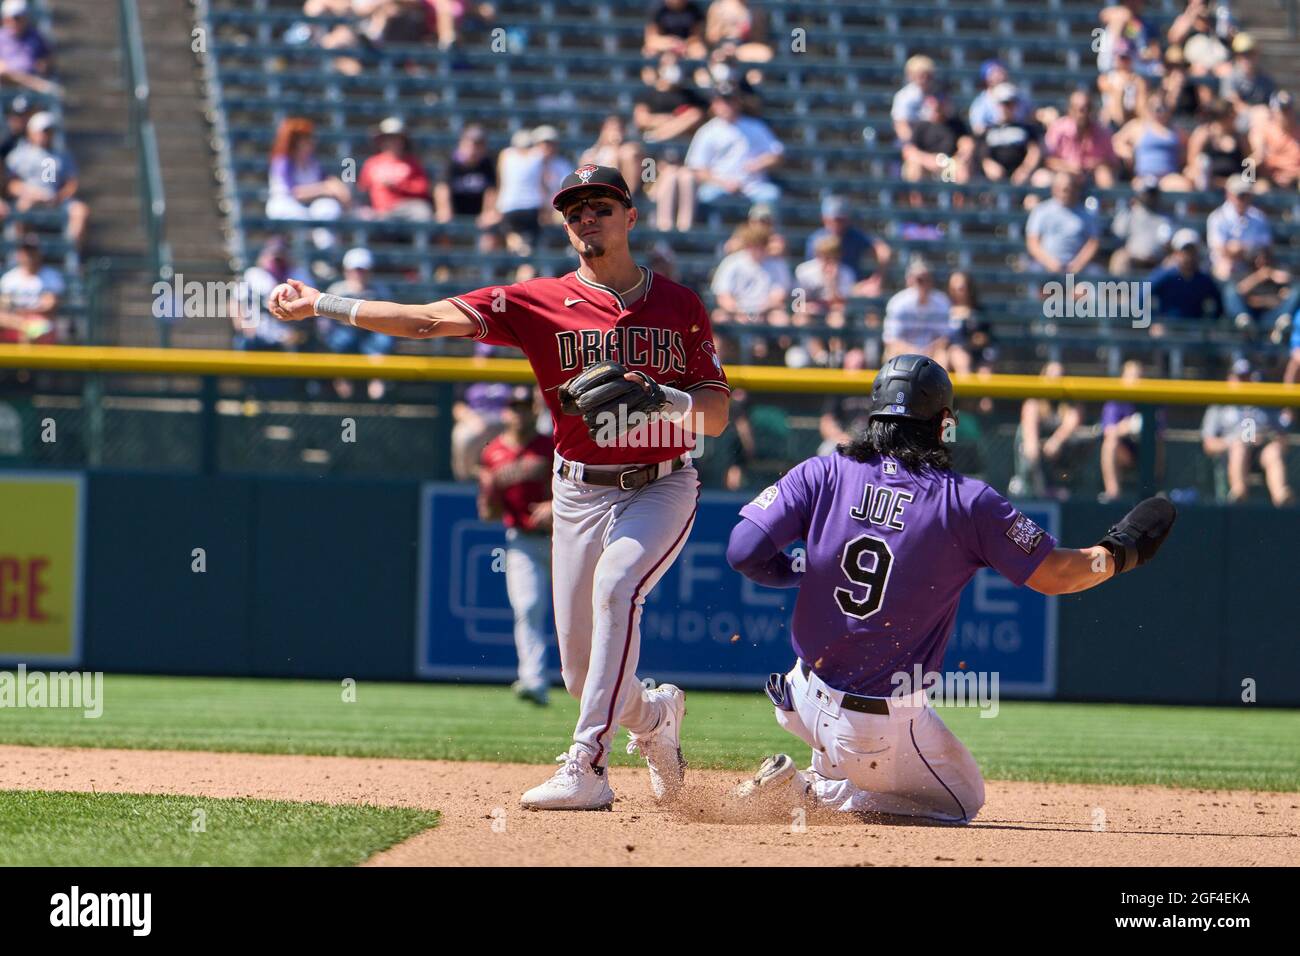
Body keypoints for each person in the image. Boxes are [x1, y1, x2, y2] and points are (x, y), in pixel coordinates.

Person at [268, 164, 732, 811]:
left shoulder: (680, 305)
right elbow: (425, 321)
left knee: (617, 587)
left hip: (660, 485)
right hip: (577, 490)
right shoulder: (536, 300)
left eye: (600, 204)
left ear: (631, 216)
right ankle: (654, 719)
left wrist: (663, 396)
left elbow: (714, 413)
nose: (586, 216)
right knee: (579, 674)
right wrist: (322, 302)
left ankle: (587, 765)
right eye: (574, 210)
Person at [727, 354, 1176, 822]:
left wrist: (799, 568)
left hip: (800, 692)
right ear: (945, 425)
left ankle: (823, 773)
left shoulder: (823, 471)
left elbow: (743, 550)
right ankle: (806, 794)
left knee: (860, 739)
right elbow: (1060, 575)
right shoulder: (964, 501)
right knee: (961, 801)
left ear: (873, 415)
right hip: (873, 725)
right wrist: (1122, 551)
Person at [478, 386, 557, 705]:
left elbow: (578, 485)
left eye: (524, 406)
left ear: (534, 410)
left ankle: (600, 685)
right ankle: (533, 681)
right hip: (521, 540)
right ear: (504, 412)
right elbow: (488, 513)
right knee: (527, 608)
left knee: (587, 610)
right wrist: (489, 493)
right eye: (513, 406)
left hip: (561, 537)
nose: (519, 412)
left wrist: (555, 504)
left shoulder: (551, 445)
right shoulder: (493, 452)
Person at [1202, 360, 1294, 507]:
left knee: (1274, 452)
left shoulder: (1264, 401)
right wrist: (1232, 442)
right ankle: (1238, 495)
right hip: (1232, 453)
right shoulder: (1219, 405)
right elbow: (1208, 444)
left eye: (1248, 377)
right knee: (1240, 447)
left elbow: (1283, 438)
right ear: (1230, 379)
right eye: (1240, 377)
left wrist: (1270, 439)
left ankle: (1282, 498)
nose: (1245, 381)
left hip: (1262, 451)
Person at [685, 84, 783, 209]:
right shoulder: (707, 131)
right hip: (719, 185)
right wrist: (723, 183)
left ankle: (762, 229)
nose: (726, 106)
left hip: (753, 186)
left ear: (738, 102)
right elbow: (697, 169)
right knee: (706, 196)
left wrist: (760, 163)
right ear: (714, 104)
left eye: (730, 101)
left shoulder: (755, 126)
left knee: (771, 195)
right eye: (721, 102)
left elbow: (776, 155)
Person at [314, 246, 393, 400]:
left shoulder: (379, 290)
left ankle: (377, 379)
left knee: (382, 341)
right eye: (355, 270)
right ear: (347, 271)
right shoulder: (337, 290)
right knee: (340, 341)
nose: (358, 274)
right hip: (344, 332)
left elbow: (388, 317)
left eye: (362, 270)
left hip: (371, 332)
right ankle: (341, 379)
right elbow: (324, 322)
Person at [5, 111, 88, 248]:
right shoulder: (19, 155)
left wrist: (59, 196)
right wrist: (31, 193)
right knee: (21, 209)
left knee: (80, 210)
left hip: (57, 199)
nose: (45, 135)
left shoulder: (62, 155)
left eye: (48, 131)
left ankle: (70, 252)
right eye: (42, 131)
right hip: (30, 197)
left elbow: (72, 183)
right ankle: (22, 251)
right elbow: (10, 185)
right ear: (31, 132)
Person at [265, 117, 349, 247]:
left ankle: (328, 256)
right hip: (285, 207)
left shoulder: (312, 163)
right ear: (296, 142)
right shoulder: (283, 163)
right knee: (306, 221)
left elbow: (327, 179)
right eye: (307, 139)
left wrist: (338, 187)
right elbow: (296, 193)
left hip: (307, 208)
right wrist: (326, 189)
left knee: (327, 209)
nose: (312, 142)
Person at [1011, 361, 1084, 498]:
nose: (1055, 379)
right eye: (1051, 375)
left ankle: (1068, 489)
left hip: (1058, 457)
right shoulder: (1034, 402)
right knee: (1029, 449)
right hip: (1035, 462)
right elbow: (1030, 443)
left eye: (1060, 376)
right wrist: (1040, 449)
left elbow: (1073, 421)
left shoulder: (1069, 403)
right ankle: (1032, 488)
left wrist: (1056, 441)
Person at [804, 196, 891, 297]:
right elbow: (800, 299)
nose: (838, 224)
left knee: (871, 294)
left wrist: (876, 279)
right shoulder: (805, 271)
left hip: (848, 288)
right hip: (820, 290)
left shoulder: (847, 273)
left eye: (842, 220)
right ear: (825, 219)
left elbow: (882, 250)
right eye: (835, 220)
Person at [710, 222, 790, 325]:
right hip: (736, 312)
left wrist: (759, 311)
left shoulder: (778, 264)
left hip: (767, 312)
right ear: (747, 245)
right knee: (719, 317)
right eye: (753, 244)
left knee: (781, 319)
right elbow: (723, 296)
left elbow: (778, 295)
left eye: (761, 245)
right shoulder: (731, 262)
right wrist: (739, 312)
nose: (757, 249)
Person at [433, 125, 500, 248]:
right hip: (456, 211)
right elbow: (442, 187)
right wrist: (444, 210)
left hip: (478, 213)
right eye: (470, 144)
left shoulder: (488, 164)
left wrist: (488, 212)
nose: (473, 149)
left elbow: (491, 190)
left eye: (478, 145)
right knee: (442, 228)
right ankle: (444, 266)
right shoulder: (451, 161)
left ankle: (483, 266)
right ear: (461, 144)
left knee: (492, 228)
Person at [1025, 171, 1101, 276]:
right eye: (1060, 188)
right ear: (1054, 189)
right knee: (1035, 272)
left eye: (1068, 189)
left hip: (1077, 267)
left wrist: (1077, 265)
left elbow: (1093, 242)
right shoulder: (1041, 211)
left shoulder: (1086, 214)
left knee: (1095, 274)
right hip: (1044, 266)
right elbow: (1033, 243)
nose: (1064, 193)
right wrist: (1050, 263)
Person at [357, 117, 433, 221]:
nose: (392, 142)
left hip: (406, 208)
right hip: (379, 211)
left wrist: (398, 185)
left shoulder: (412, 162)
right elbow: (362, 189)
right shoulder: (371, 163)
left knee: (422, 211)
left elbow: (422, 188)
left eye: (396, 138)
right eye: (388, 138)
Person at [1149, 228, 1223, 332]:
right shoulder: (1166, 275)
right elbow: (1142, 294)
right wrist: (1153, 321)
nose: (1188, 256)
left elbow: (1218, 303)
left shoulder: (1203, 280)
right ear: (1176, 253)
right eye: (1184, 251)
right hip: (1168, 327)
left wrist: (1209, 324)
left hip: (1194, 330)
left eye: (1192, 252)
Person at [1113, 94, 1191, 191]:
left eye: (1162, 107)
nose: (1159, 111)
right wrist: (1127, 153)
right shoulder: (1138, 126)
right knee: (1143, 190)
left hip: (1168, 177)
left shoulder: (1175, 130)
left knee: (1185, 186)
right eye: (1155, 108)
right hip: (1144, 176)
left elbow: (1188, 149)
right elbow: (1116, 141)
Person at [881, 256, 951, 363]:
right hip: (904, 352)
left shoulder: (942, 302)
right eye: (919, 279)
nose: (923, 283)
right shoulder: (897, 303)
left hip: (932, 353)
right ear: (909, 280)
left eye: (927, 279)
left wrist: (927, 351)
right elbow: (891, 339)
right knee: (891, 353)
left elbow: (944, 337)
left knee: (943, 356)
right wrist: (913, 351)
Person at [1040, 91, 1117, 188]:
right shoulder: (1058, 129)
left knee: (1104, 175)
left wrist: (1095, 163)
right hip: (1064, 173)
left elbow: (1113, 162)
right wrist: (1069, 168)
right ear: (1070, 110)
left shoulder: (1103, 131)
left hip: (1092, 174)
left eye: (1087, 108)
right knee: (1054, 179)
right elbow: (1047, 160)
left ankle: (1109, 203)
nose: (1083, 114)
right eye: (1079, 109)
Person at [1206, 177, 1272, 284]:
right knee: (1225, 269)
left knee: (1271, 274)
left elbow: (1265, 248)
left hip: (1252, 266)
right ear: (1229, 194)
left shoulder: (1259, 217)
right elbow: (1220, 249)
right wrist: (1245, 250)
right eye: (1240, 195)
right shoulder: (1217, 217)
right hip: (1226, 265)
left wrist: (1243, 250)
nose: (1244, 199)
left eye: (1247, 195)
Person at [0, 235, 62, 344]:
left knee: (34, 330)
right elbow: (4, 305)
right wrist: (19, 319)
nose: (29, 255)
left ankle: (25, 361)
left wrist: (23, 312)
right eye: (25, 252)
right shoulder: (9, 278)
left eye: (32, 251)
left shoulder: (50, 276)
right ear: (19, 254)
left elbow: (49, 305)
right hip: (14, 321)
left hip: (40, 322)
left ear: (39, 254)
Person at [977, 84, 1041, 185]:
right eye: (1003, 103)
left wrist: (1025, 170)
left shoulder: (1026, 129)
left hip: (1022, 177)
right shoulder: (988, 130)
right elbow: (983, 155)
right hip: (992, 179)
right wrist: (989, 166)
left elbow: (1034, 151)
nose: (1006, 107)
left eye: (1010, 104)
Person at [1109, 176, 1174, 274]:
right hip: (1134, 258)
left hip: (1158, 261)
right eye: (1146, 193)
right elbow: (1118, 232)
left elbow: (1168, 243)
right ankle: (1120, 289)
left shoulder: (1165, 217)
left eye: (1152, 193)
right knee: (1120, 258)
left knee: (1173, 263)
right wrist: (1128, 208)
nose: (1149, 196)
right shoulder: (1131, 212)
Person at [1250, 91, 1300, 191]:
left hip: (1296, 178)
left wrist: (1294, 175)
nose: (1286, 114)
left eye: (1288, 110)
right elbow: (1256, 157)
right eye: (1282, 110)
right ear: (1274, 111)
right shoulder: (1264, 131)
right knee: (1260, 189)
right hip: (1271, 178)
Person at [891, 55, 937, 145]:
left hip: (933, 139)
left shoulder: (938, 94)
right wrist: (914, 144)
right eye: (920, 75)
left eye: (927, 75)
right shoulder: (903, 96)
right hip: (911, 142)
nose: (924, 79)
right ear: (911, 76)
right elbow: (901, 126)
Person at [643, 0, 707, 60]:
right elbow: (651, 39)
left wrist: (682, 44)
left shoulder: (694, 9)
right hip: (665, 44)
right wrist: (671, 43)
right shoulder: (657, 8)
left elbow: (697, 36)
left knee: (699, 51)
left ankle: (699, 71)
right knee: (649, 52)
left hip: (687, 44)